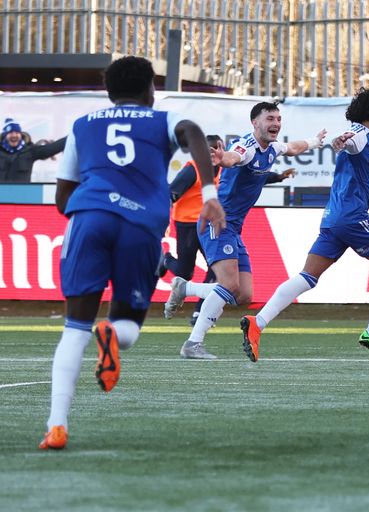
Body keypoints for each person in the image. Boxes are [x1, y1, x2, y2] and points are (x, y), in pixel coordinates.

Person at [38, 56, 226, 450]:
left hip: (88, 218)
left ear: (109, 91)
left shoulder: (81, 126)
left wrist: (91, 206)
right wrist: (210, 193)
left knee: (74, 326)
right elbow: (192, 131)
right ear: (150, 90)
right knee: (125, 327)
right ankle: (109, 333)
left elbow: (61, 197)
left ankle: (56, 426)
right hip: (140, 225)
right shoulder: (162, 119)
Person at [239, 86, 369, 362]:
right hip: (353, 218)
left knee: (308, 277)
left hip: (333, 219)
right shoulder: (361, 135)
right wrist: (340, 141)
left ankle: (258, 323)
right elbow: (347, 142)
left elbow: (351, 168)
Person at [163, 102, 321, 360]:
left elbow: (293, 148)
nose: (276, 123)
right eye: (270, 118)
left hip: (234, 228)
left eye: (279, 119)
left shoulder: (272, 148)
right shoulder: (245, 147)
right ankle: (193, 343)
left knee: (244, 295)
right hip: (218, 221)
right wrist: (221, 158)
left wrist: (316, 141)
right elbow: (233, 158)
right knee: (227, 284)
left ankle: (185, 288)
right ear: (255, 122)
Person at [158, 134, 224, 354]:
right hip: (186, 224)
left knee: (217, 269)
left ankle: (197, 312)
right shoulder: (192, 169)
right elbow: (171, 192)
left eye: (214, 150)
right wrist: (162, 216)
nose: (211, 155)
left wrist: (279, 176)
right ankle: (165, 259)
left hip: (206, 225)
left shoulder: (223, 168)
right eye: (207, 150)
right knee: (185, 272)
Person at [0, 118, 67, 182]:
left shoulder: (30, 151)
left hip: (22, 193)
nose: (14, 135)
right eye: (10, 133)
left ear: (21, 134)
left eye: (17, 133)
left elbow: (51, 149)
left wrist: (72, 137)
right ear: (5, 135)